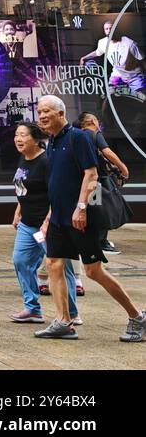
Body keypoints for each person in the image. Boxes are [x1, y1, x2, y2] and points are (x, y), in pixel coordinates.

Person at [33, 94, 145, 341]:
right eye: (39, 111)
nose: (41, 115)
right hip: (59, 217)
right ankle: (63, 321)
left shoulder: (79, 137)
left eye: (47, 111)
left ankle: (138, 317)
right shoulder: (51, 142)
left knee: (93, 271)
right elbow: (57, 184)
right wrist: (49, 216)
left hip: (81, 217)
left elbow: (91, 175)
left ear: (61, 114)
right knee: (53, 263)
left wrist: (81, 207)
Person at [9, 122, 79, 325]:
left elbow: (57, 194)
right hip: (27, 223)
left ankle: (72, 313)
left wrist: (48, 221)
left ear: (36, 139)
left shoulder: (47, 162)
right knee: (20, 261)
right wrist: (18, 211)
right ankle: (32, 308)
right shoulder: (24, 158)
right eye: (16, 135)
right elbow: (23, 188)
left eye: (23, 135)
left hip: (49, 225)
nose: (18, 139)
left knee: (60, 268)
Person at [77, 111, 129, 256]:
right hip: (96, 181)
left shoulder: (77, 135)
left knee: (89, 210)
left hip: (82, 179)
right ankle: (100, 242)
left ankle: (89, 241)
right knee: (100, 210)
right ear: (93, 122)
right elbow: (108, 153)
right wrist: (123, 168)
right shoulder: (94, 135)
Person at [80, 21, 145, 92]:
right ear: (104, 31)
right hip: (118, 74)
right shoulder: (103, 43)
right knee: (109, 96)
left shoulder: (129, 43)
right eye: (106, 29)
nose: (109, 31)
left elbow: (143, 60)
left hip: (134, 76)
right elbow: (97, 52)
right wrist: (84, 58)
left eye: (111, 28)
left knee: (141, 98)